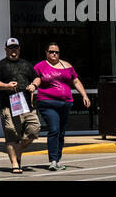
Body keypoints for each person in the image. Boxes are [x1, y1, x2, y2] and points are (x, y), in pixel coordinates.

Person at [33, 41, 90, 170]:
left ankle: (58, 160)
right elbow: (34, 81)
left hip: (65, 103)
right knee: (54, 129)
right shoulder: (40, 66)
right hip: (47, 102)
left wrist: (84, 95)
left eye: (56, 52)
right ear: (46, 53)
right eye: (51, 51)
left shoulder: (67, 65)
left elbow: (75, 81)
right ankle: (53, 160)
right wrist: (31, 95)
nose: (54, 54)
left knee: (61, 132)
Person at [0, 37, 40, 174]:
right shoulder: (0, 65)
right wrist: (6, 86)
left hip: (27, 105)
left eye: (15, 48)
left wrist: (33, 85)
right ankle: (15, 164)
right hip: (9, 106)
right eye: (10, 48)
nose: (13, 50)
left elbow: (37, 77)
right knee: (12, 135)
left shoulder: (27, 64)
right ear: (6, 49)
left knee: (34, 130)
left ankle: (18, 151)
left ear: (19, 49)